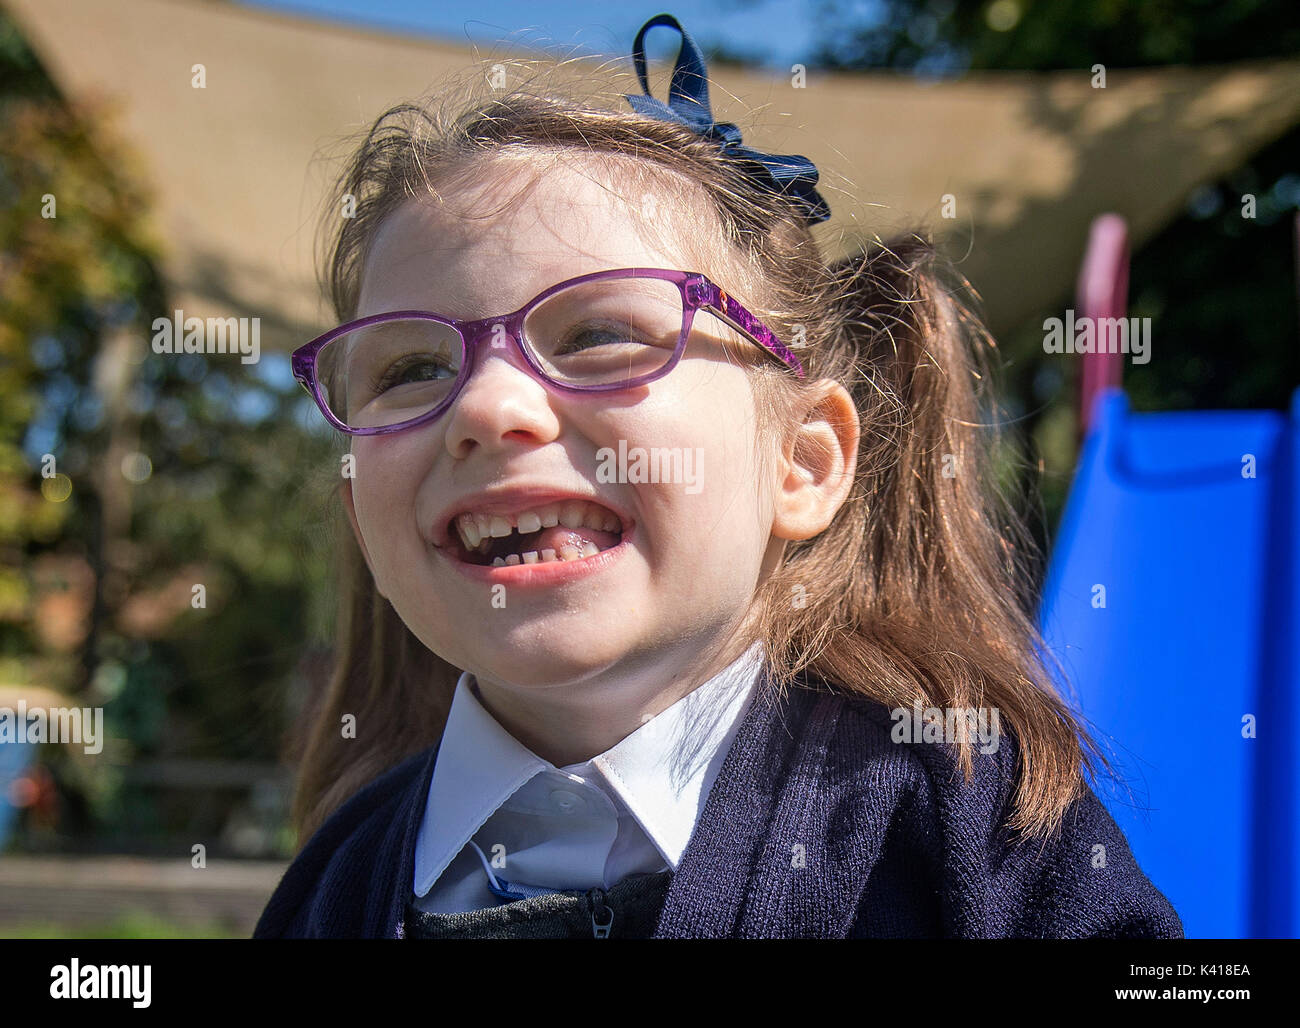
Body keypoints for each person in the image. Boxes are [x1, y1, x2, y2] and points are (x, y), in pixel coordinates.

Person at [254, 13, 1182, 939]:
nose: (488, 409)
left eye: (598, 334)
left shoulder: (961, 827)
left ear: (804, 463)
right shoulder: (332, 890)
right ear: (358, 509)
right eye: (411, 369)